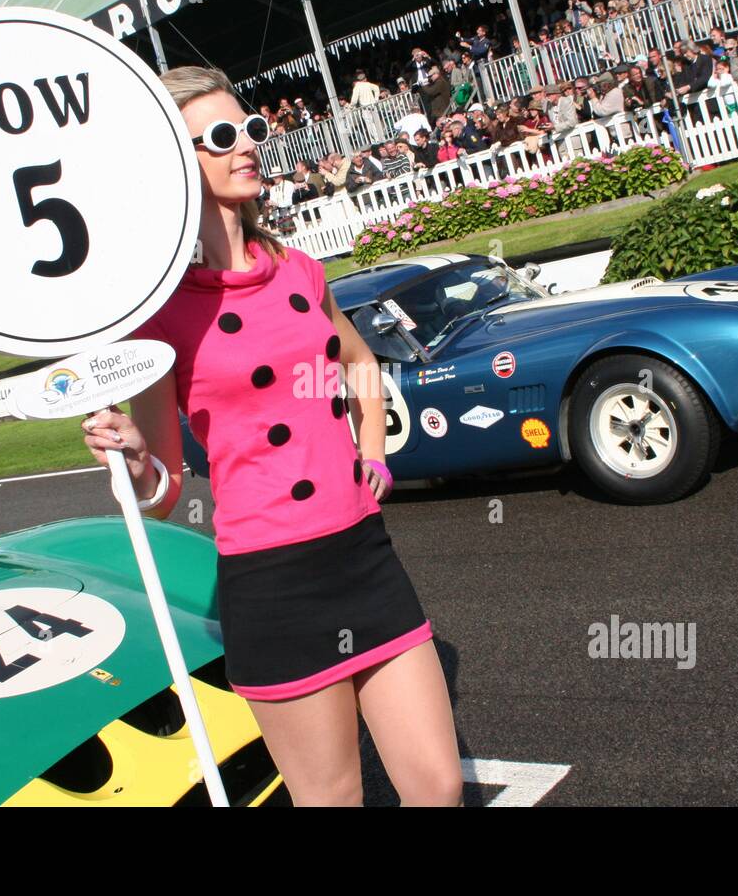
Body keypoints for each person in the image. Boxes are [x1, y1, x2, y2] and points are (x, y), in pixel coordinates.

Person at [81, 67, 462, 807]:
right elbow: (158, 494)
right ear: (172, 163)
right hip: (272, 580)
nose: (247, 145)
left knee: (439, 786)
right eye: (220, 137)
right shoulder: (158, 317)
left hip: (364, 553)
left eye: (251, 128)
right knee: (333, 800)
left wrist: (374, 455)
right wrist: (130, 459)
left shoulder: (299, 271)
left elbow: (358, 364)